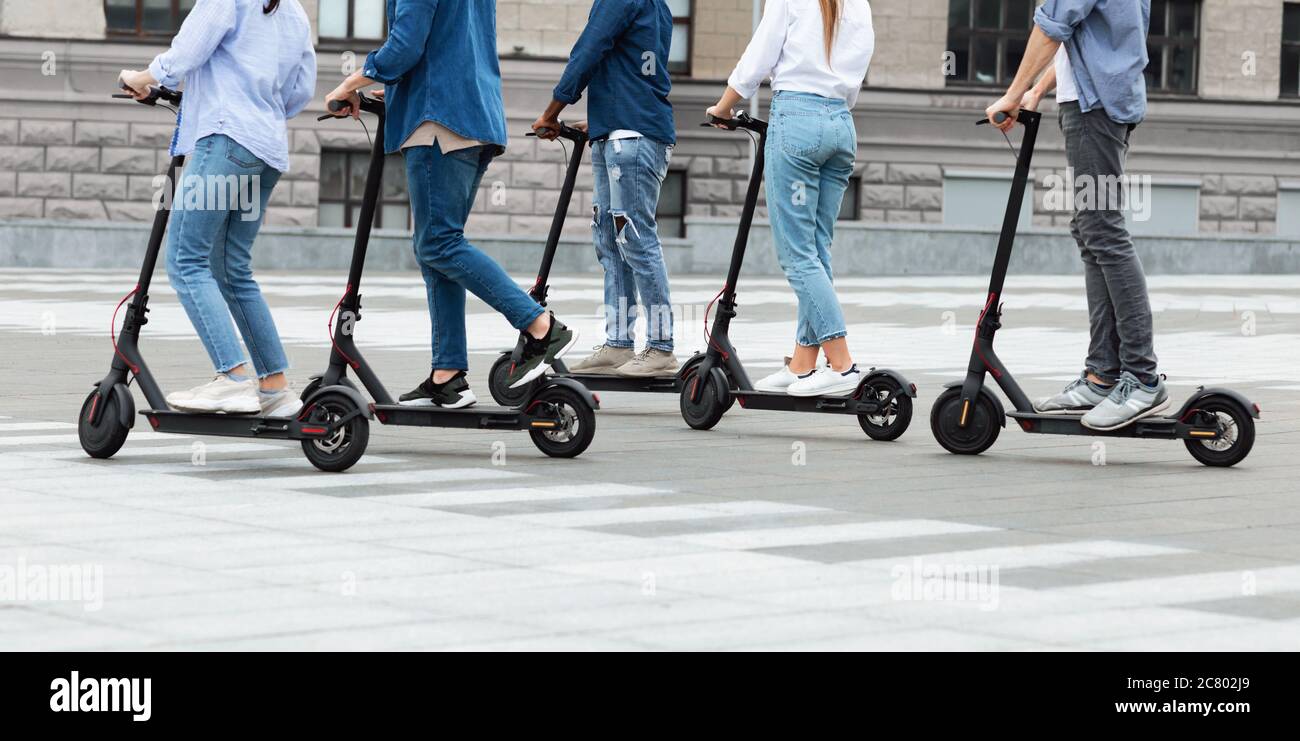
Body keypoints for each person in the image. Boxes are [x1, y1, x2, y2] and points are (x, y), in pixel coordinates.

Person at [325, 0, 576, 408]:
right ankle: (447, 376)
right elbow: (451, 45)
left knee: (438, 244)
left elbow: (405, 45)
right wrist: (394, 86)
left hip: (438, 122)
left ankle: (541, 325)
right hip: (475, 116)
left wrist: (348, 84)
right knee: (438, 248)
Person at [118, 0, 315, 417]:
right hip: (266, 151)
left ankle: (233, 379)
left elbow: (187, 51)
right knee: (232, 267)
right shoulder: (296, 11)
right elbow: (300, 92)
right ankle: (274, 386)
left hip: (225, 138)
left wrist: (141, 77)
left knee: (187, 260)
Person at [988, 0, 1167, 431]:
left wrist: (1014, 93)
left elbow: (1052, 26)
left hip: (1094, 109)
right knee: (1091, 231)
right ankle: (1103, 373)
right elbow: (1085, 37)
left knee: (1103, 230)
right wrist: (1039, 88)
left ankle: (1141, 377)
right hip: (1098, 103)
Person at [707, 0, 875, 397]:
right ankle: (802, 363)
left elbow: (758, 58)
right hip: (841, 125)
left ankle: (843, 364)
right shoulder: (861, 4)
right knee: (816, 250)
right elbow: (856, 72)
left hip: (798, 122)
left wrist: (723, 107)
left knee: (797, 254)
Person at [532, 0, 678, 379]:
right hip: (620, 130)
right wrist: (597, 120)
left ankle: (661, 347)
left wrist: (552, 111)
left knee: (635, 238)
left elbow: (589, 50)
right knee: (611, 241)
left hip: (629, 137)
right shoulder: (657, 6)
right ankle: (618, 344)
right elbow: (635, 70)